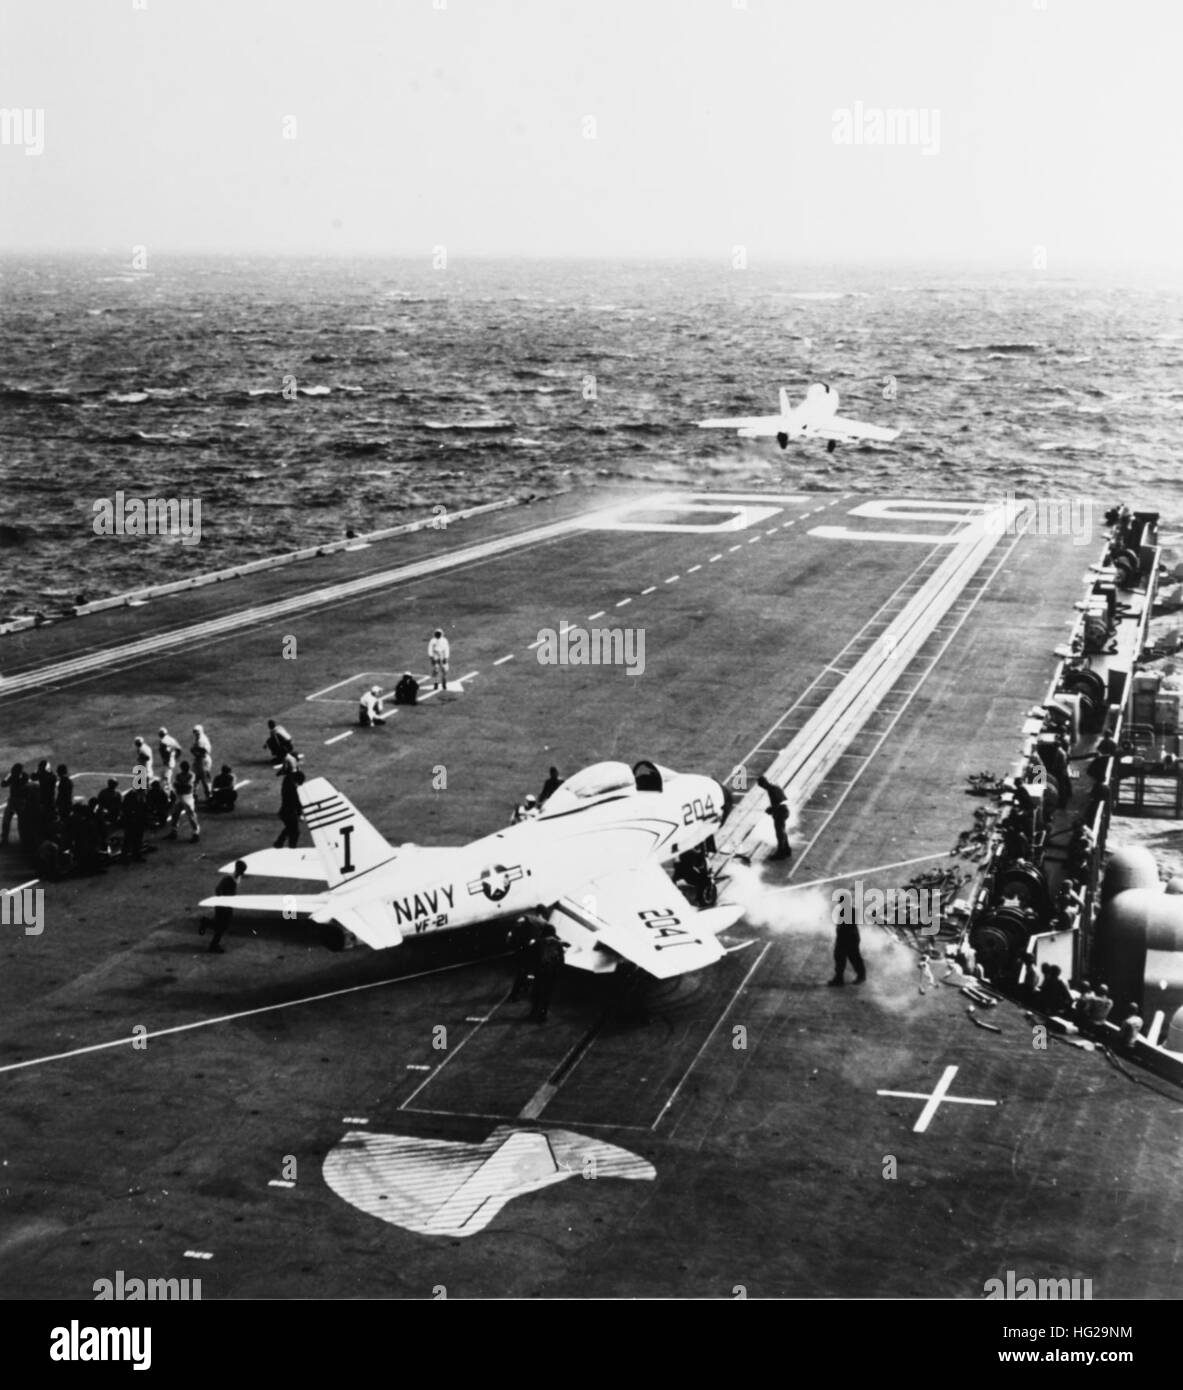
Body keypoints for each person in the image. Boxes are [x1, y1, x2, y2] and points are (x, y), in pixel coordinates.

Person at [202, 860, 247, 954]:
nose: (243, 873)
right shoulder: (228, 878)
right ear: (238, 869)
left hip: (228, 905)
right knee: (221, 926)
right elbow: (218, 889)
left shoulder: (236, 877)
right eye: (242, 870)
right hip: (222, 906)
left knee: (223, 925)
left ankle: (206, 922)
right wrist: (222, 903)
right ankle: (213, 946)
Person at [528, 926, 567, 1022]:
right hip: (551, 973)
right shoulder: (558, 944)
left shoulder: (539, 942)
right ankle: (542, 1015)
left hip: (539, 972)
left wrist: (530, 973)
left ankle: (533, 1012)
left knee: (536, 993)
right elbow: (561, 960)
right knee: (547, 995)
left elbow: (532, 958)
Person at [756, 775, 792, 859]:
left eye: (761, 786)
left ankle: (781, 853)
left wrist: (771, 809)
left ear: (764, 784)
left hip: (780, 812)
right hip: (783, 811)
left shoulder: (772, 790)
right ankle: (786, 849)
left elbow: (779, 802)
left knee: (780, 833)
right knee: (782, 831)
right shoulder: (775, 787)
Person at [166, 760, 201, 841]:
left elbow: (188, 786)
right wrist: (182, 786)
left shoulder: (191, 775)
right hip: (180, 796)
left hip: (187, 797)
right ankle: (174, 831)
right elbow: (177, 785)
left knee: (191, 815)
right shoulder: (180, 775)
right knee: (175, 814)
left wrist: (180, 786)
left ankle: (196, 832)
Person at [275, 762, 304, 848]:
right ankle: (292, 848)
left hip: (284, 812)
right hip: (289, 812)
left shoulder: (288, 780)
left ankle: (278, 843)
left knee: (289, 828)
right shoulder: (292, 788)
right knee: (295, 831)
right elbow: (296, 802)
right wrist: (300, 813)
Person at [829, 918, 866, 986]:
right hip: (848, 933)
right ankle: (840, 978)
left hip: (848, 933)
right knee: (848, 955)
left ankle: (840, 978)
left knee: (849, 955)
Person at [119, 786, 148, 863]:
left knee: (137, 840)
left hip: (139, 822)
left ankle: (136, 856)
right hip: (131, 822)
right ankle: (124, 857)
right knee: (128, 840)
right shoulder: (131, 797)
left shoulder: (141, 796)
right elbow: (126, 809)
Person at [2, 762, 28, 845]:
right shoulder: (25, 776)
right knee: (22, 822)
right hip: (21, 802)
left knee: (6, 820)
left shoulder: (13, 776)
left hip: (14, 801)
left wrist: (8, 776)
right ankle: (24, 839)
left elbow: (3, 784)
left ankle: (4, 839)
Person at [190, 726, 213, 803]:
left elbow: (203, 752)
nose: (195, 733)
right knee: (195, 778)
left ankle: (209, 796)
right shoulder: (200, 738)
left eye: (197, 731)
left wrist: (194, 752)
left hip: (203, 761)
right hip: (199, 761)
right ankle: (194, 795)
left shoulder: (201, 740)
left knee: (204, 779)